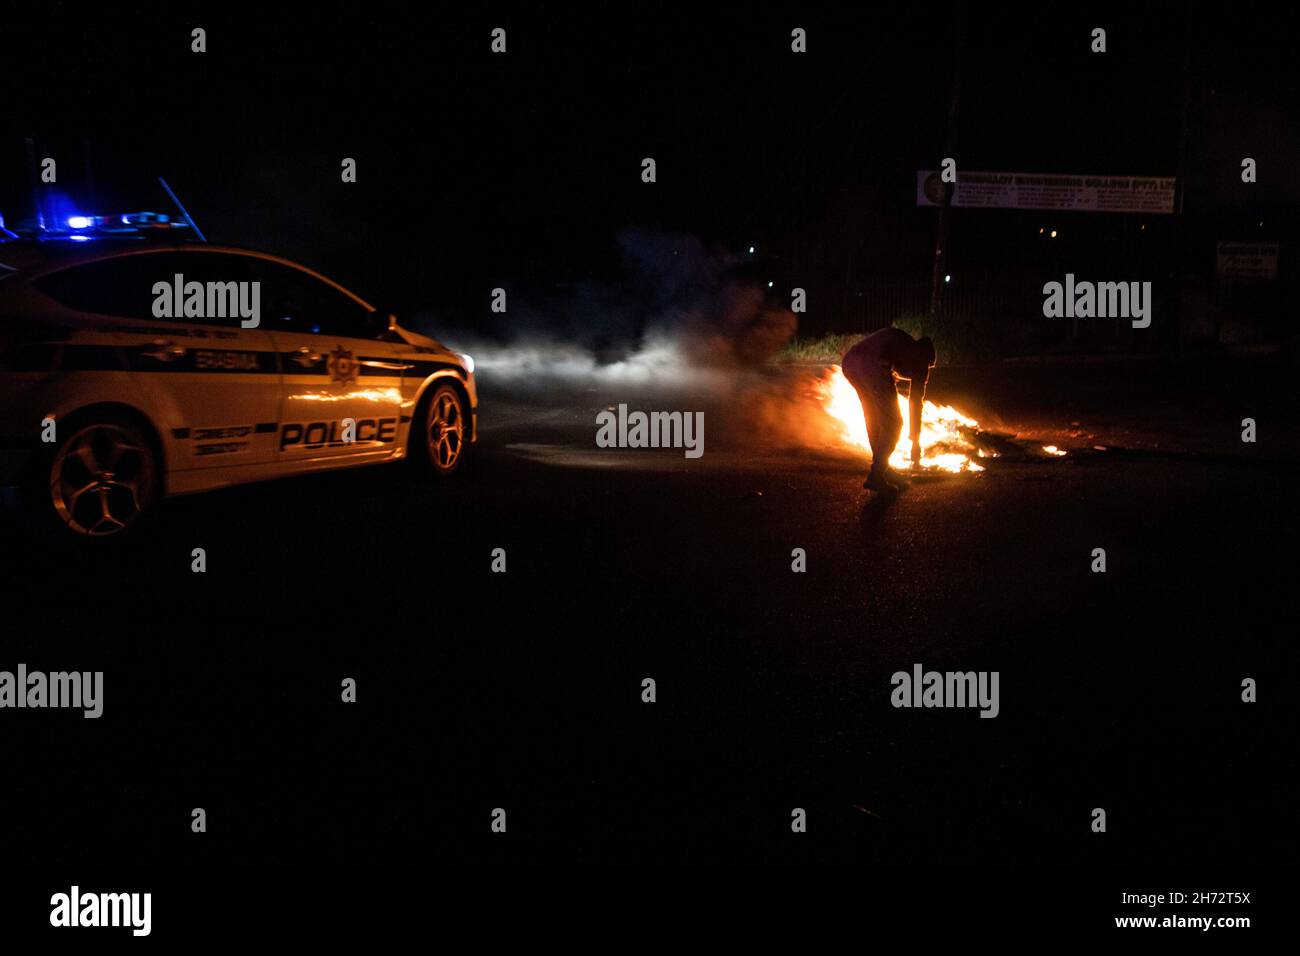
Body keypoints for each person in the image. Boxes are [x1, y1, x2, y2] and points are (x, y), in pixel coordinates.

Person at [840, 328, 936, 491]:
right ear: (925, 355)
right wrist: (915, 442)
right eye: (928, 366)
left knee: (874, 419)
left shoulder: (903, 344)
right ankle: (876, 475)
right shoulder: (920, 357)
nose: (925, 371)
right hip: (872, 365)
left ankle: (883, 469)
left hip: (850, 363)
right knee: (894, 423)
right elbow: (915, 402)